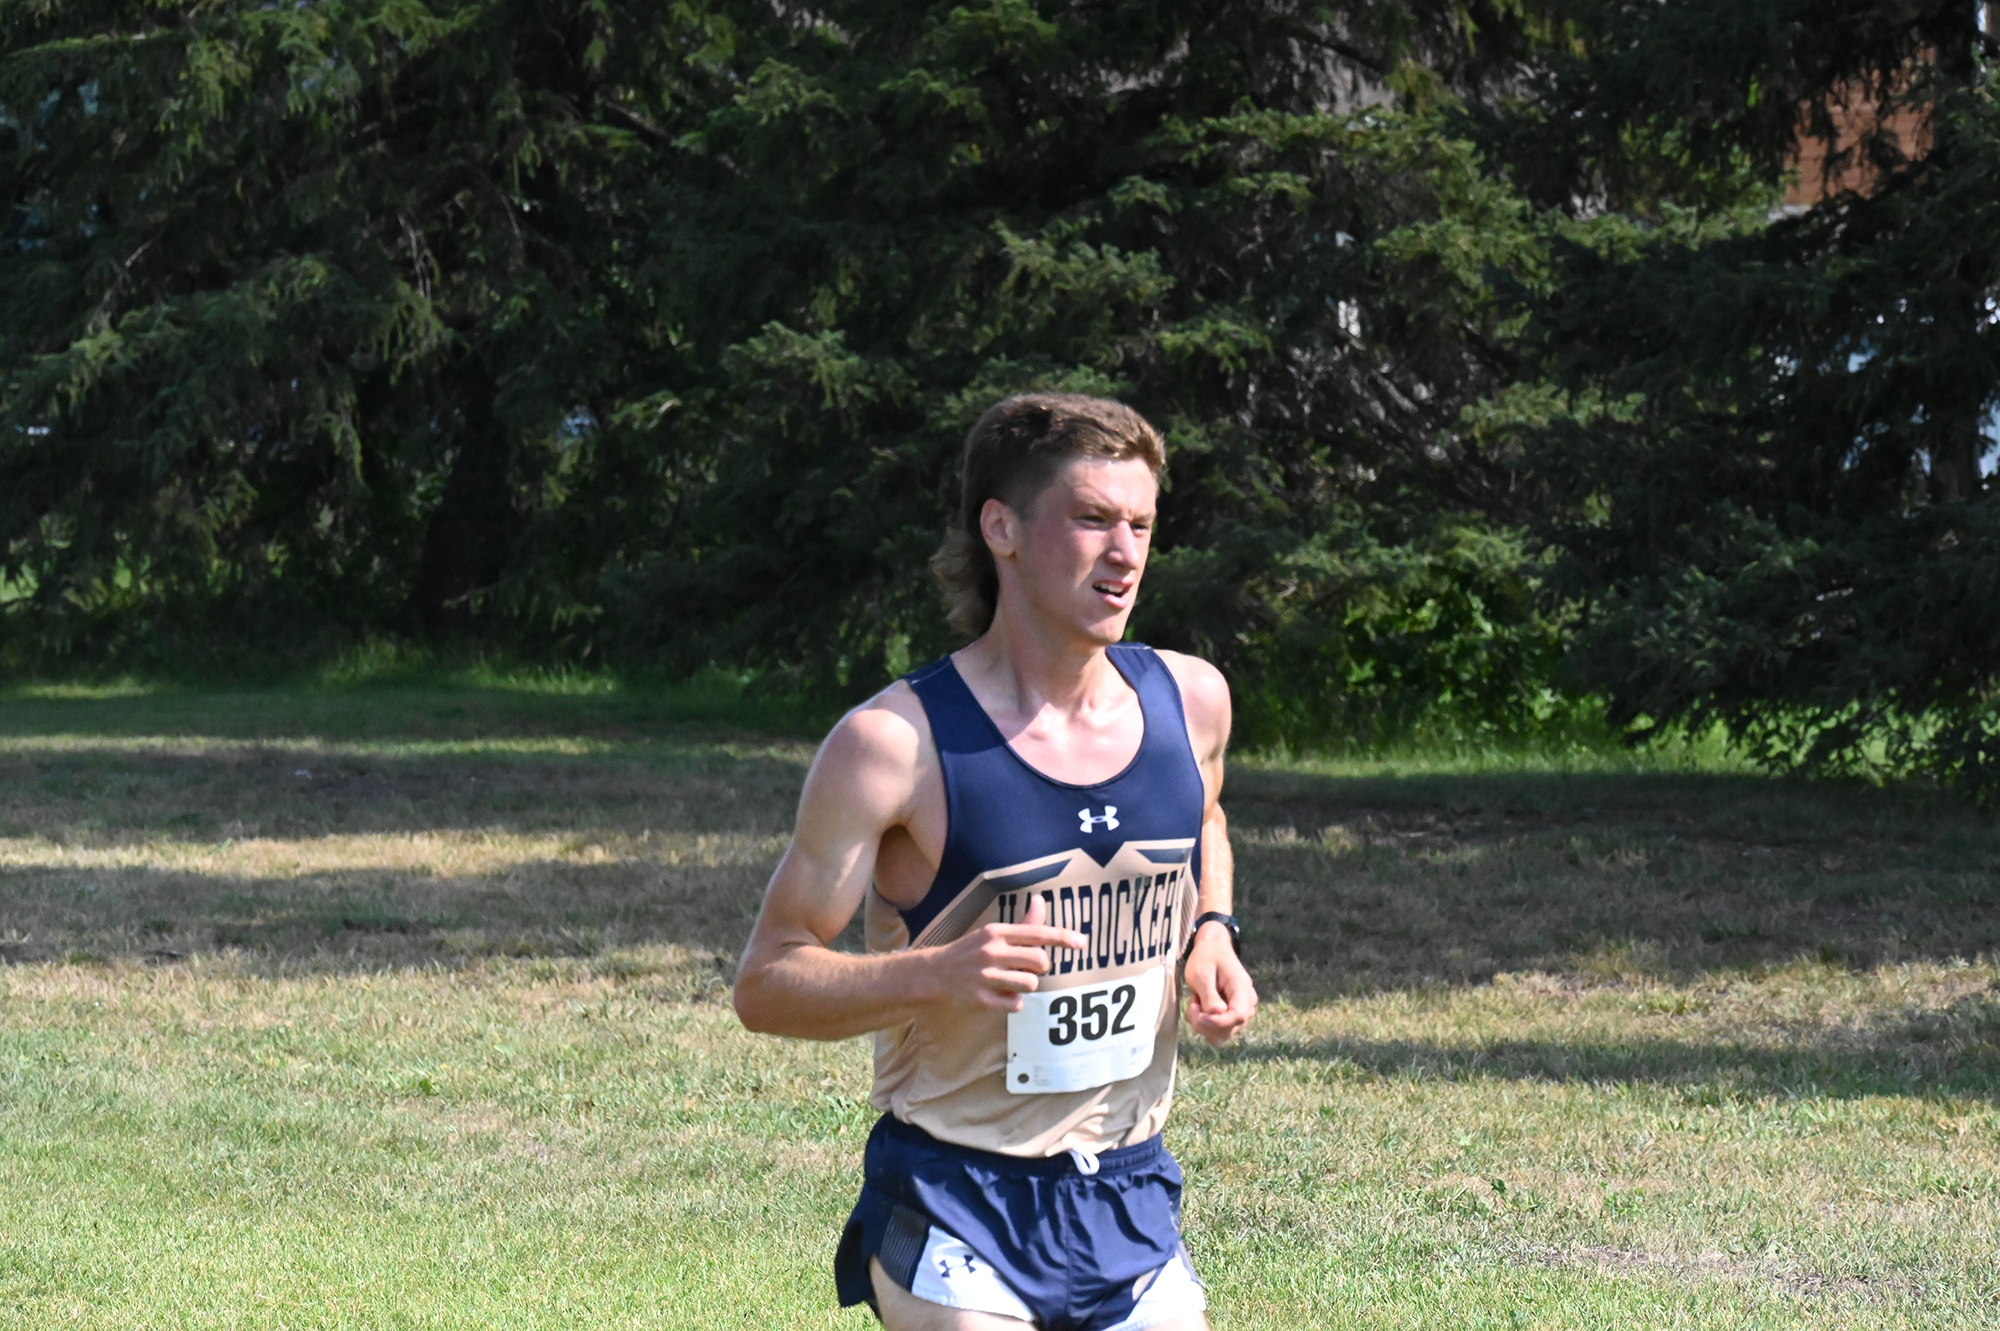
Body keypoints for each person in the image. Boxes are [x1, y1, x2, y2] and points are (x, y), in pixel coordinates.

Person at [734, 393, 1257, 1331]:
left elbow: (1205, 814)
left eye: (1141, 524)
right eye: (1092, 518)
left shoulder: (1191, 700)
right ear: (1001, 528)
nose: (1126, 553)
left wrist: (1211, 928)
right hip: (951, 1191)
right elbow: (766, 983)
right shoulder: (895, 745)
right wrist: (935, 972)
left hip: (1128, 1191)